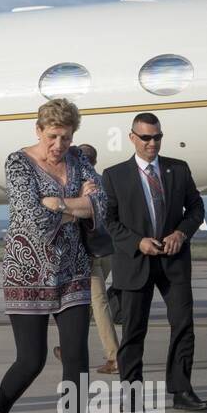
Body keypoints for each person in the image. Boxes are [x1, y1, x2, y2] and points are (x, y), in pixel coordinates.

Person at [0, 98, 105, 413]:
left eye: (67, 138)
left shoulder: (79, 160)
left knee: (77, 359)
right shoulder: (18, 162)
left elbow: (103, 203)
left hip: (72, 270)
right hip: (27, 272)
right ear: (38, 130)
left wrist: (59, 203)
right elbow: (31, 217)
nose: (59, 145)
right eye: (53, 136)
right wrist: (78, 204)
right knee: (32, 360)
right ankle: (0, 409)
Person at [102, 112, 207, 412]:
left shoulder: (178, 169)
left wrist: (181, 233)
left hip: (173, 260)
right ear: (132, 138)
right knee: (134, 329)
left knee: (183, 324)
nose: (152, 143)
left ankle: (182, 390)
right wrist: (138, 242)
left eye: (157, 137)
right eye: (146, 137)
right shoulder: (114, 175)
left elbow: (197, 208)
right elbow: (109, 221)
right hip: (136, 261)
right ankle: (131, 394)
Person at [77, 144, 120, 375]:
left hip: (90, 251)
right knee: (86, 304)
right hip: (108, 249)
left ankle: (114, 357)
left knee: (98, 302)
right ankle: (70, 348)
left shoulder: (82, 184)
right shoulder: (104, 181)